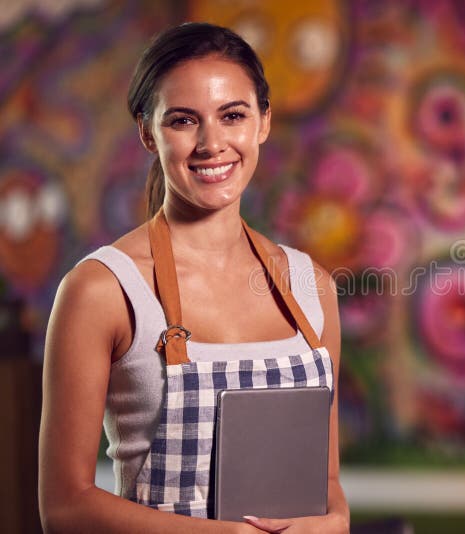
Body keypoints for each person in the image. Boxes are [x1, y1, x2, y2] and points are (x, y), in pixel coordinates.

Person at [38, 22, 349, 533]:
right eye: (183, 120)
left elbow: (326, 479)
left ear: (263, 123)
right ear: (147, 132)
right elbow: (65, 508)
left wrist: (336, 520)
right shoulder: (102, 289)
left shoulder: (311, 287)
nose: (212, 143)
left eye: (233, 116)